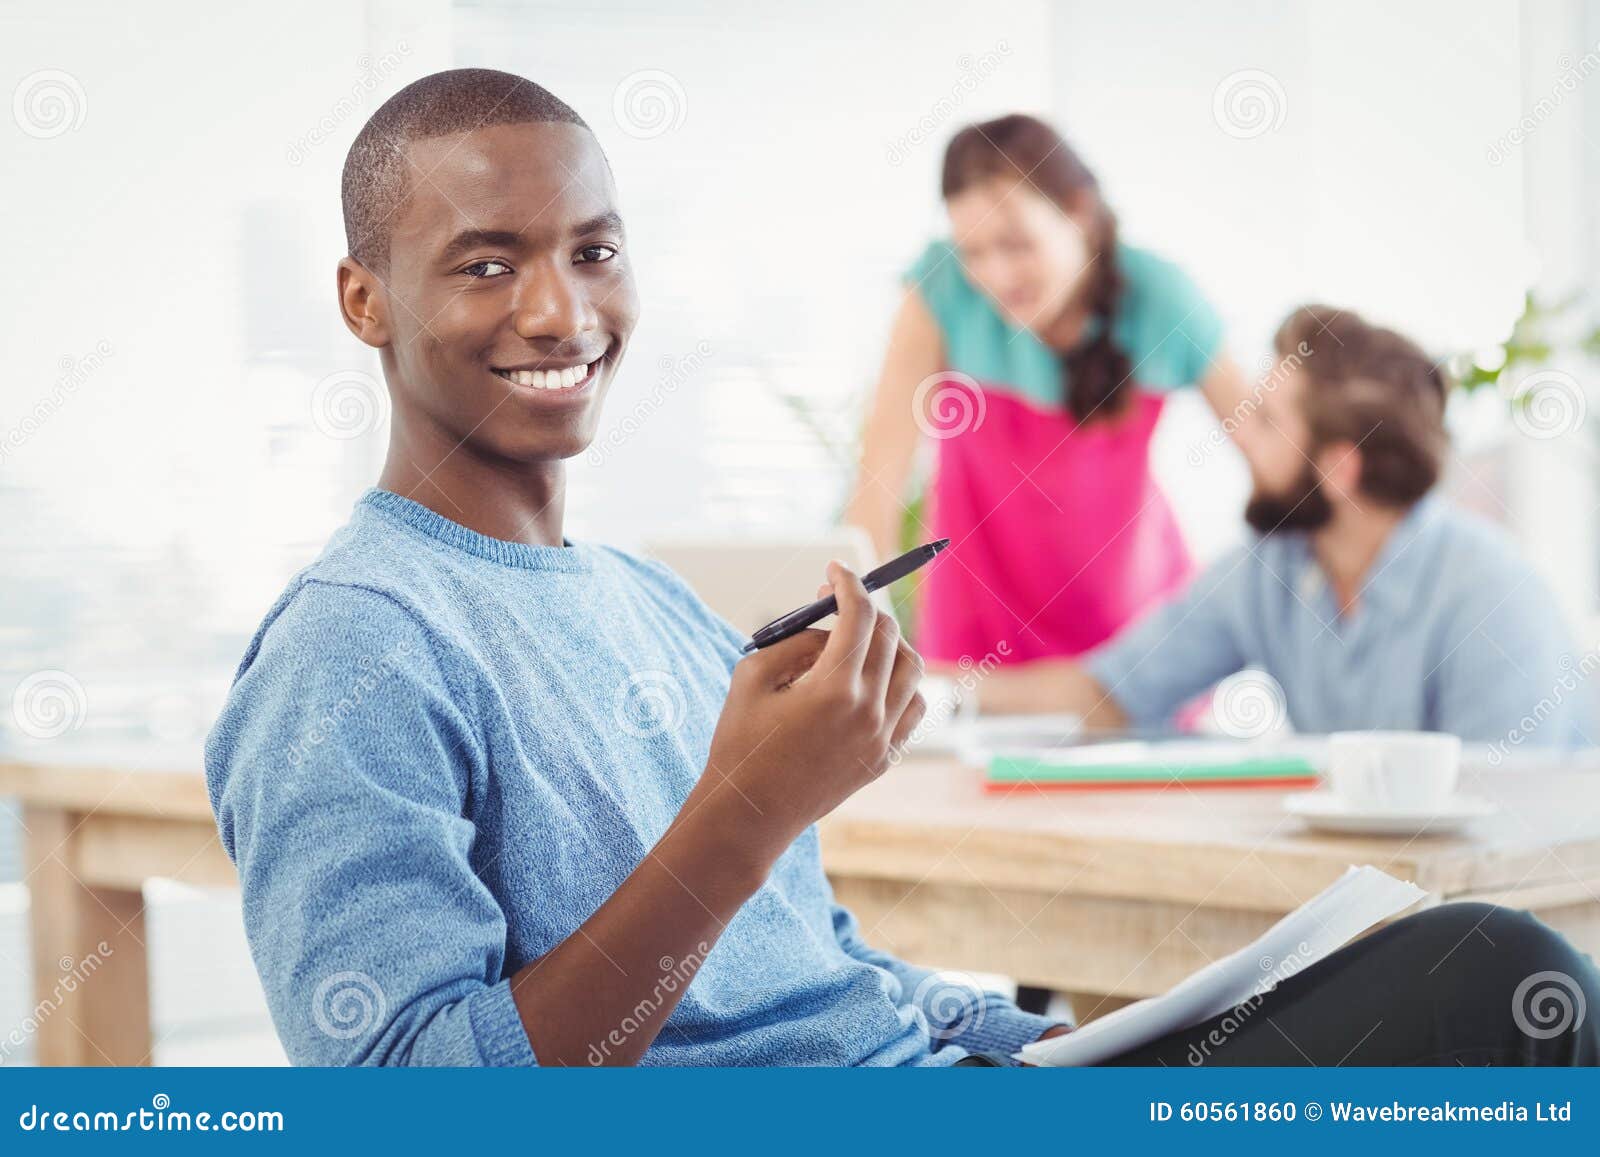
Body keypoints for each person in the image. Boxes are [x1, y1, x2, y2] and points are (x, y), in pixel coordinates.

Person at [205, 69, 1599, 1067]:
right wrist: (745, 811)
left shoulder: (657, 608)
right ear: (364, 299)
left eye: (594, 250)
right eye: (486, 263)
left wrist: (1043, 1043)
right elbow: (410, 1104)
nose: (561, 306)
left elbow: (829, 973)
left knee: (1482, 987)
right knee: (1506, 988)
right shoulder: (356, 648)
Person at [977, 305, 1596, 750]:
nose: (1239, 434)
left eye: (1268, 422)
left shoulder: (1493, 597)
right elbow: (1110, 693)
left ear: (1339, 468)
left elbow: (1503, 838)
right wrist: (932, 690)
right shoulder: (1273, 566)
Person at [844, 114, 1253, 667]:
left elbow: (1272, 452)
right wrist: (853, 638)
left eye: (1016, 244)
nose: (995, 273)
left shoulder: (1163, 298)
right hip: (976, 626)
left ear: (1078, 212)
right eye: (974, 250)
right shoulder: (942, 291)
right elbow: (880, 480)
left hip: (1130, 627)